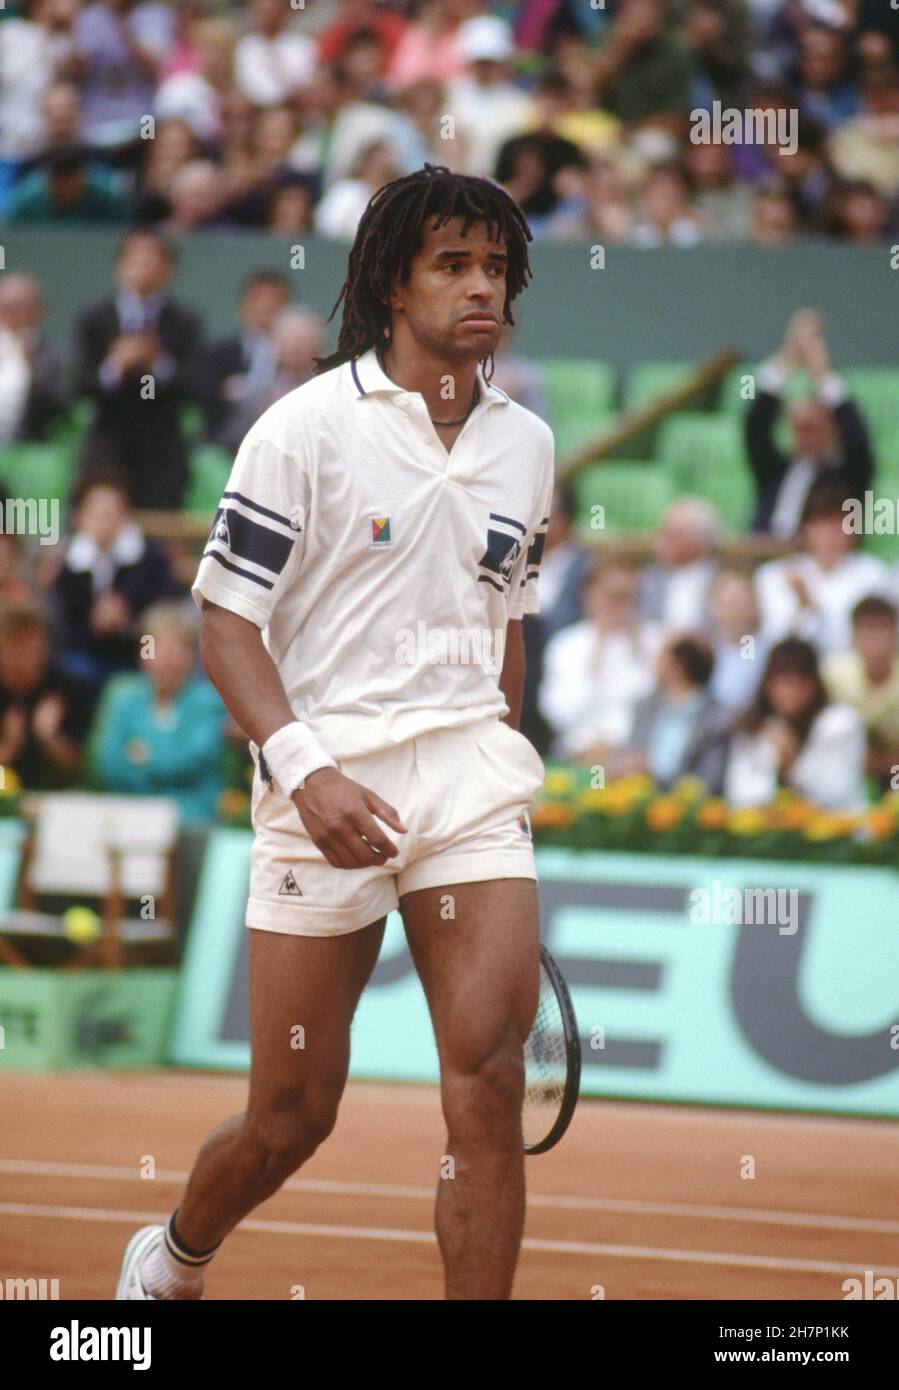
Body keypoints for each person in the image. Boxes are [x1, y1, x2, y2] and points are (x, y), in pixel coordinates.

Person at [115, 164, 554, 1303]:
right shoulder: (299, 430)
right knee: (289, 1117)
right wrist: (304, 772)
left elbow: (504, 621)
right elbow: (224, 623)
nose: (480, 289)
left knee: (491, 1081)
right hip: (323, 778)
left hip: (464, 776)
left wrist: (498, 758)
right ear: (388, 284)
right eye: (451, 265)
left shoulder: (525, 446)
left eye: (494, 268)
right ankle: (171, 1259)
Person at [74, 229, 203, 510]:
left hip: (162, 443)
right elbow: (81, 385)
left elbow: (193, 385)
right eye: (136, 261)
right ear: (118, 267)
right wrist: (116, 366)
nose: (144, 269)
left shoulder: (184, 321)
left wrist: (157, 362)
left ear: (169, 270)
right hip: (108, 439)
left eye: (154, 262)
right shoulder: (94, 318)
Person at [89, 600, 226, 823]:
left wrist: (141, 756)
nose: (165, 657)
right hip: (128, 815)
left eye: (176, 648)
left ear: (191, 655)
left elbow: (188, 762)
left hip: (189, 821)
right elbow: (106, 763)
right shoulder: (121, 695)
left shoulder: (208, 703)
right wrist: (163, 763)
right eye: (156, 646)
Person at [745, 308, 874, 535]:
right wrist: (789, 354)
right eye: (800, 429)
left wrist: (822, 373)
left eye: (814, 428)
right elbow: (756, 427)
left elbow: (857, 439)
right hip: (763, 557)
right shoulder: (776, 470)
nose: (807, 436)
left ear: (833, 430)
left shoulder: (847, 476)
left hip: (820, 563)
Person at [51, 468, 175, 686]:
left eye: (111, 513)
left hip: (137, 654)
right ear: (80, 517)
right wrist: (94, 625)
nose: (104, 522)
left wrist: (128, 624)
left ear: (125, 516)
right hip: (85, 656)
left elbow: (164, 614)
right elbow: (62, 627)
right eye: (97, 514)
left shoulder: (151, 560)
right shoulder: (67, 566)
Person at [539, 558, 661, 760]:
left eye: (628, 597)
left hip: (636, 757)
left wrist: (638, 651)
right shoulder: (566, 645)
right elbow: (559, 714)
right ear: (589, 595)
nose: (621, 606)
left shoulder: (655, 642)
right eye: (612, 596)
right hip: (577, 755)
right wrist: (598, 652)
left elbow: (657, 706)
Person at [725, 637, 867, 811]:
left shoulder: (840, 723)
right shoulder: (756, 725)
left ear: (814, 684)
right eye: (781, 682)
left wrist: (792, 764)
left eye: (797, 682)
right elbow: (741, 797)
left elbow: (835, 796)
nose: (789, 692)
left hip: (837, 830)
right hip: (771, 831)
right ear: (767, 685)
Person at [755, 480, 894, 656]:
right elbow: (773, 644)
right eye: (820, 526)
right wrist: (803, 609)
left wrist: (812, 607)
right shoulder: (776, 575)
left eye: (838, 526)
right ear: (804, 530)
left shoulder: (874, 575)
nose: (829, 536)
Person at [614, 634, 730, 793]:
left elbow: (710, 782)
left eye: (661, 656)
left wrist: (654, 777)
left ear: (677, 666)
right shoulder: (645, 707)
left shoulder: (717, 719)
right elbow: (626, 755)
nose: (654, 662)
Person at [0, 602, 96, 791]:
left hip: (61, 797)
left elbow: (85, 771)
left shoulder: (70, 688)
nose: (21, 659)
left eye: (28, 649)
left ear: (44, 649)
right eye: (12, 647)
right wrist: (8, 749)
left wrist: (51, 739)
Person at [197, 271, 292, 444]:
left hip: (285, 441)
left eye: (276, 300)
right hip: (226, 445)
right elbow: (202, 397)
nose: (267, 305)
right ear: (242, 306)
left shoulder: (304, 356)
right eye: (258, 299)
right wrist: (226, 393)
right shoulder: (218, 353)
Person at [823, 595, 899, 793]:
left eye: (882, 631)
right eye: (867, 631)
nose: (875, 641)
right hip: (845, 773)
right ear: (853, 636)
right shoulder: (832, 674)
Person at [0, 274, 67, 442]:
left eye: (15, 307)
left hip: (22, 447)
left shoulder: (49, 357)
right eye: (4, 306)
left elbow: (56, 412)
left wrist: (32, 368)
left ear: (38, 310)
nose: (8, 313)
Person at [640, 497, 721, 633]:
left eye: (671, 535)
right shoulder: (648, 579)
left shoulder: (721, 580)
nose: (658, 542)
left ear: (698, 540)